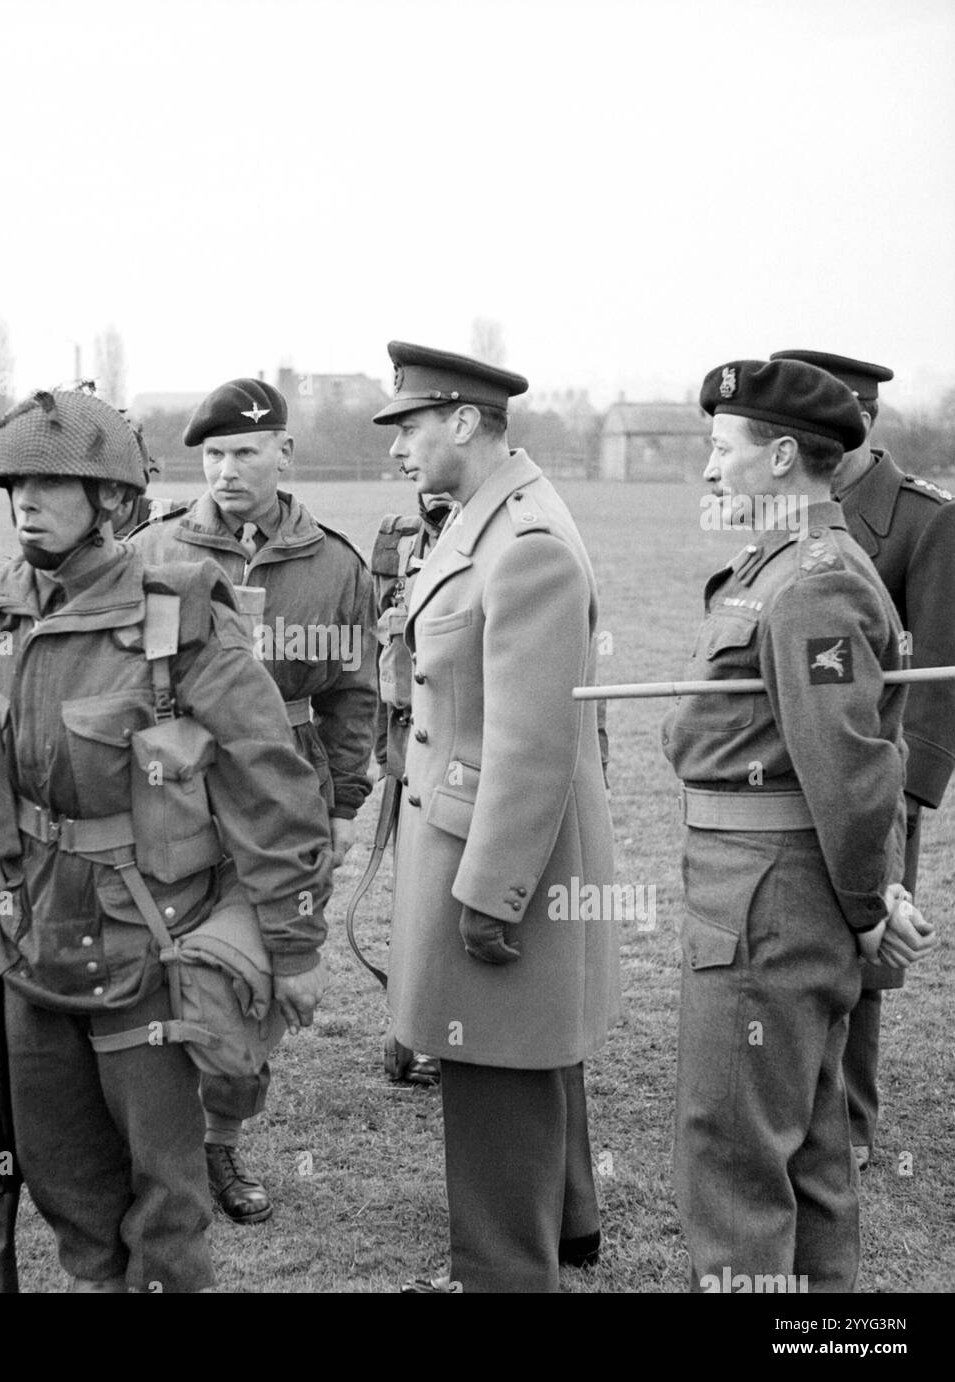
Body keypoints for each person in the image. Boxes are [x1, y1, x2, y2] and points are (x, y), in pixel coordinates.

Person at [0, 386, 333, 1291]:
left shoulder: (177, 615)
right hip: (27, 949)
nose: (25, 501)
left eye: (50, 482)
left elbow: (272, 784)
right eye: (15, 483)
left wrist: (294, 942)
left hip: (150, 953)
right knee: (65, 1183)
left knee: (165, 1199)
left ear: (111, 499)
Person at [663, 357, 936, 1292]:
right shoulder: (776, 564)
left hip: (768, 895)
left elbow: (851, 769)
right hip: (763, 886)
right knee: (810, 1151)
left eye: (719, 449)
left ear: (781, 457)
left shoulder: (813, 580)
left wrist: (869, 908)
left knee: (736, 1154)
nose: (707, 469)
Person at [373, 341, 620, 1293]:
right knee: (528, 1062)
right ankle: (566, 1231)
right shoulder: (487, 522)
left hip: (505, 856)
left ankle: (503, 1277)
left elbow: (532, 745)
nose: (400, 448)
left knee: (496, 1084)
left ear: (466, 422)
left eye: (413, 425)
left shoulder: (524, 547)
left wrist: (492, 895)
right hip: (483, 840)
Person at [129, 377, 377, 1224]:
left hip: (283, 795)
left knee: (256, 982)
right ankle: (162, 1143)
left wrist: (342, 809)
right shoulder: (155, 550)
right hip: (180, 789)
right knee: (168, 970)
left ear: (284, 453)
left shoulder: (335, 564)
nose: (226, 470)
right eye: (212, 455)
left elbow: (353, 698)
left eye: (243, 452)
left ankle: (221, 1144)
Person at [770, 349, 955, 1171]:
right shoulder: (783, 509)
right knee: (810, 931)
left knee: (869, 944)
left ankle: (851, 1122)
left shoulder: (925, 519)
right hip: (793, 772)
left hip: (876, 769)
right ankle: (800, 1103)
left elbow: (942, 668)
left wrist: (911, 792)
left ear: (859, 419)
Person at [369, 493, 455, 1088]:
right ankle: (415, 1034)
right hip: (412, 750)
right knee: (418, 902)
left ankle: (452, 1034)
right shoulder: (396, 545)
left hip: (475, 753)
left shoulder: (510, 535)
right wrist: (382, 755)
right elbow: (373, 658)